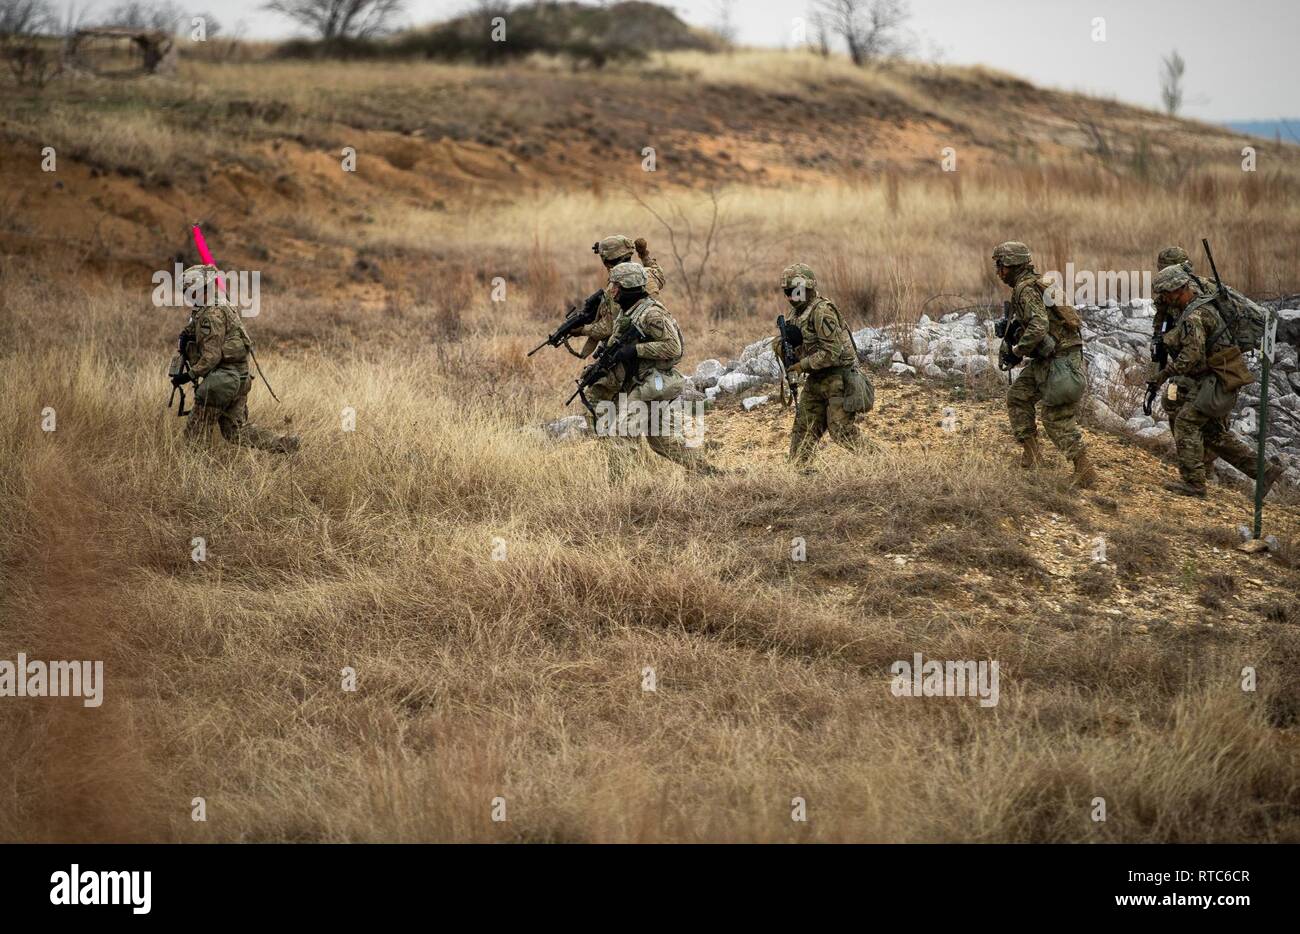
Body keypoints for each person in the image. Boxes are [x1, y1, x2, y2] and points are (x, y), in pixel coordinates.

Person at [993, 240, 1095, 487]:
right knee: (1018, 397)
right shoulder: (1037, 284)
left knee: (1055, 417)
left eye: (1001, 266)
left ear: (1012, 264)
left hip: (1060, 362)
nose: (998, 272)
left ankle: (1084, 470)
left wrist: (1018, 350)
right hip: (1051, 359)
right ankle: (1032, 455)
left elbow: (1039, 325)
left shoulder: (1026, 289)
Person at [172, 264, 299, 453]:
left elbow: (211, 357)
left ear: (198, 290)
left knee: (194, 437)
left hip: (221, 383)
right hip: (240, 378)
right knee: (235, 432)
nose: (185, 295)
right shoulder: (220, 305)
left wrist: (188, 375)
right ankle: (283, 444)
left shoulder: (210, 315)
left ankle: (194, 476)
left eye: (187, 291)